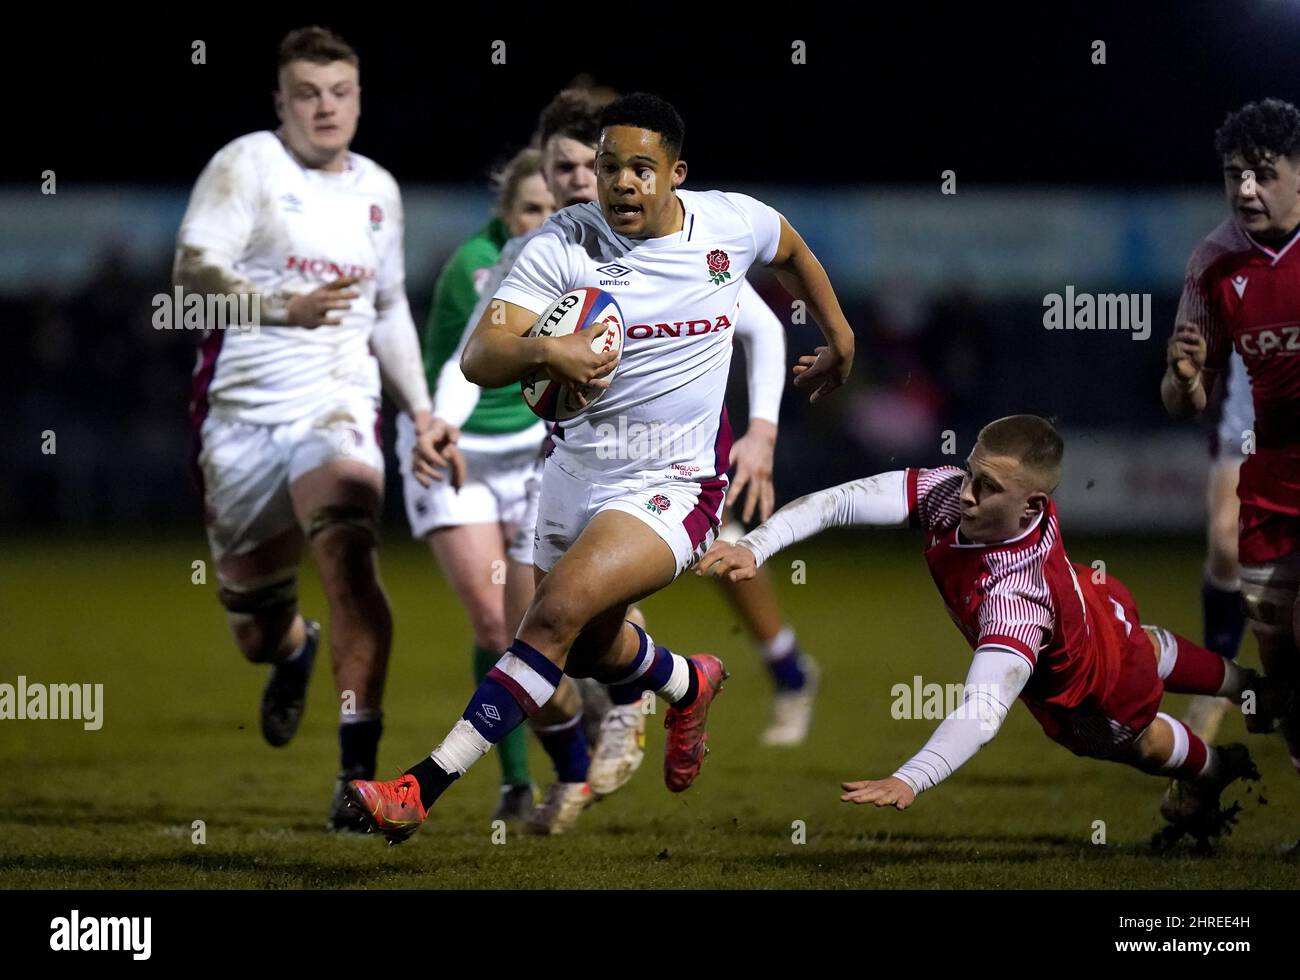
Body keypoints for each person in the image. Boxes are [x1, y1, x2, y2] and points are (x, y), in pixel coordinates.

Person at [346, 92, 855, 843]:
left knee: (547, 620)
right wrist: (549, 350)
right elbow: (483, 354)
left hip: (676, 485)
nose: (620, 182)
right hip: (574, 471)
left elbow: (793, 250)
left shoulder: (728, 222)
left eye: (640, 169)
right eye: (610, 166)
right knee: (585, 646)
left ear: (676, 174)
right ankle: (686, 680)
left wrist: (840, 341)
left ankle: (419, 787)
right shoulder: (562, 243)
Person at [698, 415, 1281, 838]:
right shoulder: (952, 494)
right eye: (973, 473)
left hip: (1088, 691)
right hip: (1091, 600)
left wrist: (911, 778)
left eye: (988, 487)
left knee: (1145, 740)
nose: (967, 494)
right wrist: (758, 545)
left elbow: (980, 712)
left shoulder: (1015, 599)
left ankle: (1215, 767)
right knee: (1145, 641)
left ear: (1031, 508)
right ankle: (1250, 685)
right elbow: (839, 503)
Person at [177, 27, 432, 831]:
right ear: (281, 103)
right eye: (308, 94)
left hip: (339, 402)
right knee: (253, 628)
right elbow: (191, 280)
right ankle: (292, 648)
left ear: (358, 96)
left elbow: (387, 310)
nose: (326, 107)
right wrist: (281, 306)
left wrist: (423, 413)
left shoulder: (379, 191)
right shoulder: (246, 164)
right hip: (243, 417)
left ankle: (356, 779)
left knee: (350, 555)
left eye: (340, 92)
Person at [1162, 99, 1300, 810]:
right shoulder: (1215, 261)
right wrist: (1185, 377)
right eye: (1233, 175)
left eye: (1262, 175)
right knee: (1279, 653)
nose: (1246, 189)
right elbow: (1180, 398)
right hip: (1267, 454)